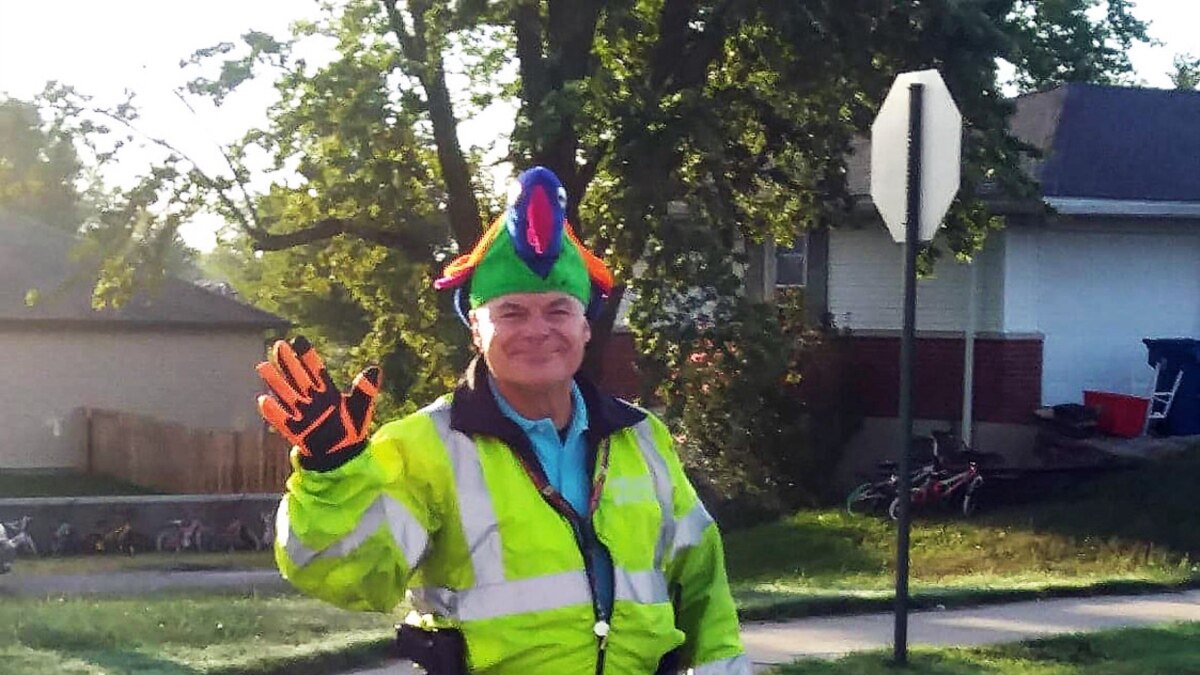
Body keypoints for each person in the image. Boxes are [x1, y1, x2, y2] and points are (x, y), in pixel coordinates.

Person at [256, 166, 749, 674]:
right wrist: (334, 475)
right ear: (475, 328)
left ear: (585, 327)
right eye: (511, 312)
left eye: (558, 310)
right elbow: (351, 577)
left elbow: (702, 581)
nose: (538, 331)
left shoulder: (642, 437)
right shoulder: (422, 446)